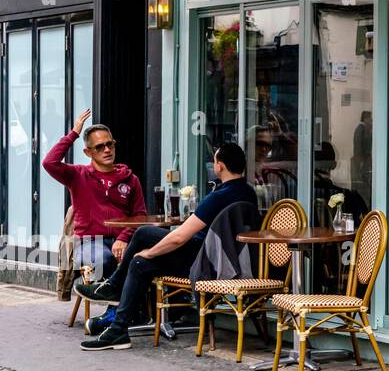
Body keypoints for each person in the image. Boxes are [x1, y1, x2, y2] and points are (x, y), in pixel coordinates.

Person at [75, 143, 258, 350]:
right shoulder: (248, 192)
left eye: (215, 160)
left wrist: (151, 252)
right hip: (227, 261)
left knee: (143, 234)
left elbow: (179, 238)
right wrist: (147, 256)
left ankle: (113, 287)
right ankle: (118, 330)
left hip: (204, 262)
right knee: (138, 263)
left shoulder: (219, 196)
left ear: (220, 166)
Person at [43, 109, 146, 288]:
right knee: (104, 261)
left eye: (110, 144)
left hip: (125, 240)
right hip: (89, 243)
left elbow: (140, 215)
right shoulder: (77, 175)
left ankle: (127, 310)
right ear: (88, 152)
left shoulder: (130, 179)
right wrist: (73, 134)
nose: (107, 150)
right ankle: (119, 309)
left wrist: (123, 237)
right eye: (99, 147)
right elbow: (49, 163)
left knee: (147, 260)